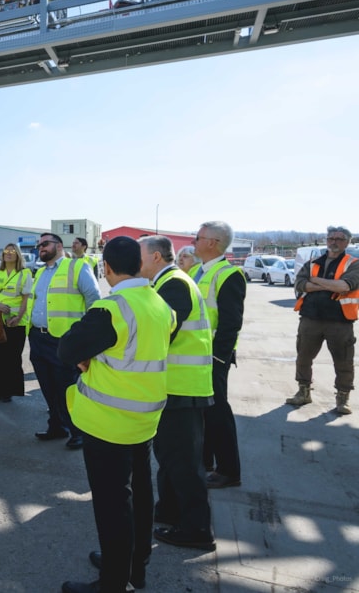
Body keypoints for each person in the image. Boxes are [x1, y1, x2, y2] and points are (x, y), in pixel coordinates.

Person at [59, 236, 175, 593]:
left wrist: (85, 356)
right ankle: (132, 568)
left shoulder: (113, 308)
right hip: (144, 419)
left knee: (112, 507)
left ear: (105, 268)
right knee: (140, 496)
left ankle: (112, 582)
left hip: (108, 422)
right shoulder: (159, 302)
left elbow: (67, 348)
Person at [139, 236, 216, 552]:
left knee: (184, 463)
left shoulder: (173, 284)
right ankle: (170, 510)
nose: (134, 261)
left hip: (182, 388)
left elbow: (158, 333)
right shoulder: (167, 282)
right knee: (170, 458)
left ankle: (197, 529)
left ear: (155, 257)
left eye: (138, 255)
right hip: (174, 386)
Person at [27, 232, 101, 449]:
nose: (40, 247)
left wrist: (84, 337)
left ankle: (78, 431)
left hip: (63, 340)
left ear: (59, 246)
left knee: (68, 388)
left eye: (45, 243)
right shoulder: (40, 272)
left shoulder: (76, 267)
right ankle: (57, 426)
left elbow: (94, 300)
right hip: (38, 338)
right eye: (39, 244)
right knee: (48, 387)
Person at [190, 220, 246, 489]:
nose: (194, 241)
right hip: (197, 357)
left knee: (218, 413)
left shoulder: (229, 275)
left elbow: (231, 323)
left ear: (212, 242)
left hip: (213, 357)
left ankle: (229, 470)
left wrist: (218, 358)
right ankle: (207, 461)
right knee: (205, 413)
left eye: (198, 237)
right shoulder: (198, 272)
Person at [286, 226, 358, 415]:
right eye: (331, 238)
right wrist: (328, 285)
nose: (334, 241)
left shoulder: (353, 264)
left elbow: (344, 286)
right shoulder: (312, 262)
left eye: (339, 239)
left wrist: (315, 281)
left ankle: (342, 399)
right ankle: (303, 392)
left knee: (343, 361)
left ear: (347, 242)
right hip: (311, 318)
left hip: (340, 322)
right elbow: (300, 284)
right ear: (326, 240)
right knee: (303, 357)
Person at [0, 243, 32, 402]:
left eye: (12, 251)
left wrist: (18, 317)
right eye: (6, 250)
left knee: (12, 358)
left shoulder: (24, 273)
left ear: (18, 254)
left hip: (15, 322)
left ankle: (9, 391)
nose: (9, 253)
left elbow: (26, 299)